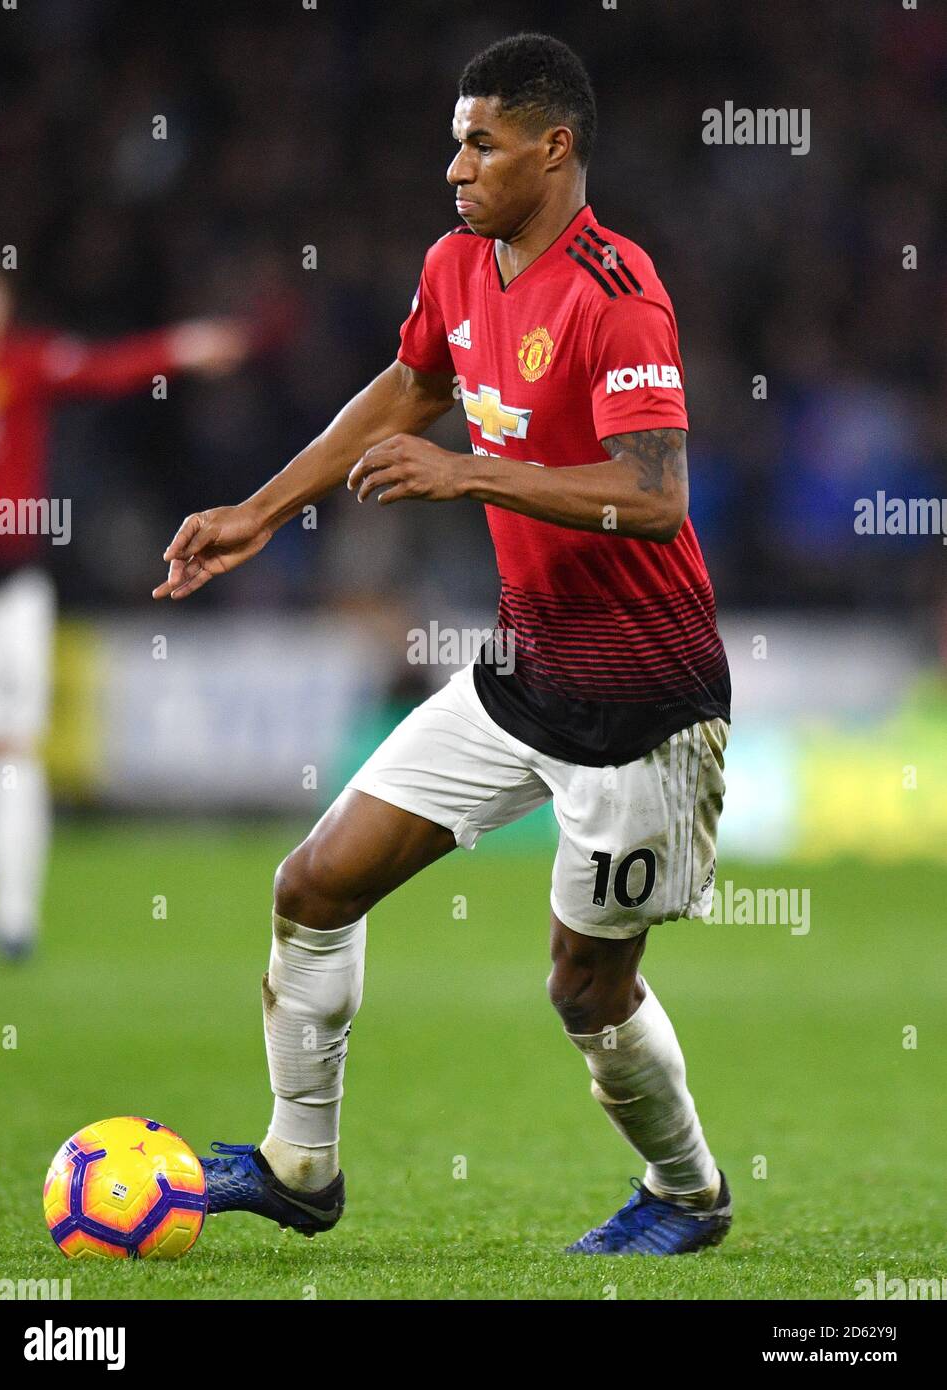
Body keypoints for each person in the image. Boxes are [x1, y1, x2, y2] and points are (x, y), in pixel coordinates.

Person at [154, 33, 733, 1256]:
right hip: (524, 674)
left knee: (585, 990)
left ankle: (687, 1191)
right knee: (313, 883)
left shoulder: (616, 293)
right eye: (454, 139)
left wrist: (472, 471)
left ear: (553, 146)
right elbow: (410, 386)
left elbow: (655, 493)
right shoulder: (457, 265)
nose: (454, 165)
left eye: (481, 141)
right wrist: (261, 508)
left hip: (642, 707)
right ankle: (300, 1163)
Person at [0, 261, 249, 958]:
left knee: (12, 750)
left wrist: (182, 348)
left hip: (12, 593)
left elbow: (105, 368)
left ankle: (14, 920)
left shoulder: (24, 361)